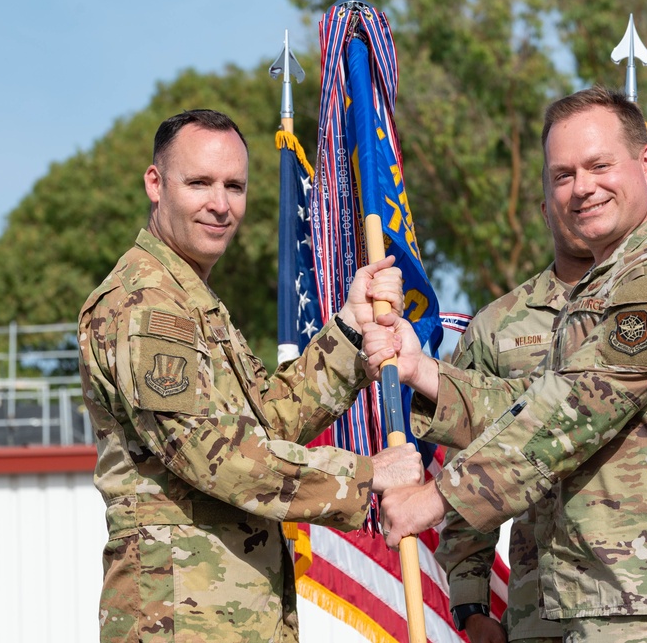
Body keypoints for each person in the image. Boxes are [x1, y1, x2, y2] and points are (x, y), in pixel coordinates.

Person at [367, 86, 647, 642]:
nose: (583, 188)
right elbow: (536, 407)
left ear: (646, 166)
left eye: (599, 165)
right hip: (591, 603)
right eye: (564, 174)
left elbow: (577, 410)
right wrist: (421, 370)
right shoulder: (594, 294)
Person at [77, 108, 424, 643]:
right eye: (199, 183)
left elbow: (269, 421)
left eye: (234, 186)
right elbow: (215, 453)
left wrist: (352, 331)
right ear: (155, 183)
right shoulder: (146, 304)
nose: (220, 204)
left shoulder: (193, 300)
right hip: (180, 617)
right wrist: (364, 475)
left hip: (228, 611)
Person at [438, 198, 594, 643]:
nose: (581, 196)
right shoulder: (497, 326)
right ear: (545, 210)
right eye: (564, 179)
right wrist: (472, 605)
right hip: (540, 613)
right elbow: (467, 467)